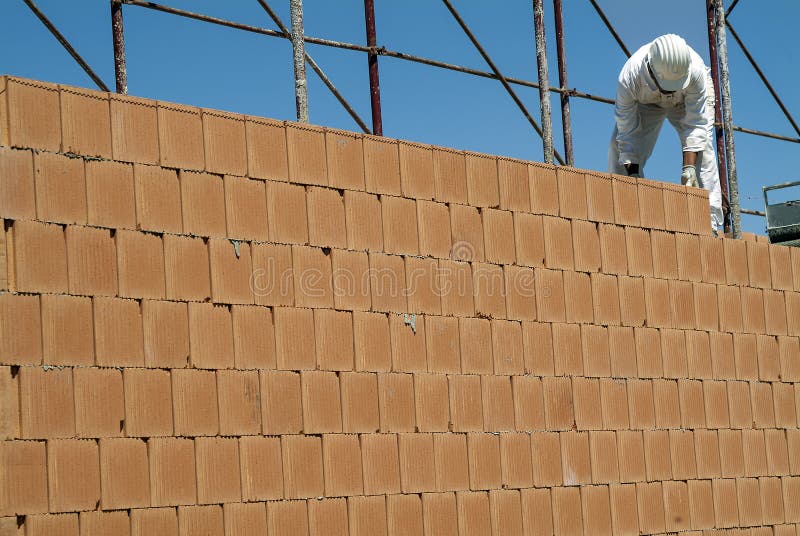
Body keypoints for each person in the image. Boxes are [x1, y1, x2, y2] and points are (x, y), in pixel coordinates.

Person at [608, 33, 724, 230]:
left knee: (702, 150)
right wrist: (633, 173)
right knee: (617, 148)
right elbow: (627, 132)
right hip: (646, 102)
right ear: (652, 71)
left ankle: (709, 221)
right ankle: (626, 210)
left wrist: (688, 170)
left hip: (685, 100)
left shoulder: (694, 71)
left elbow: (696, 124)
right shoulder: (629, 77)